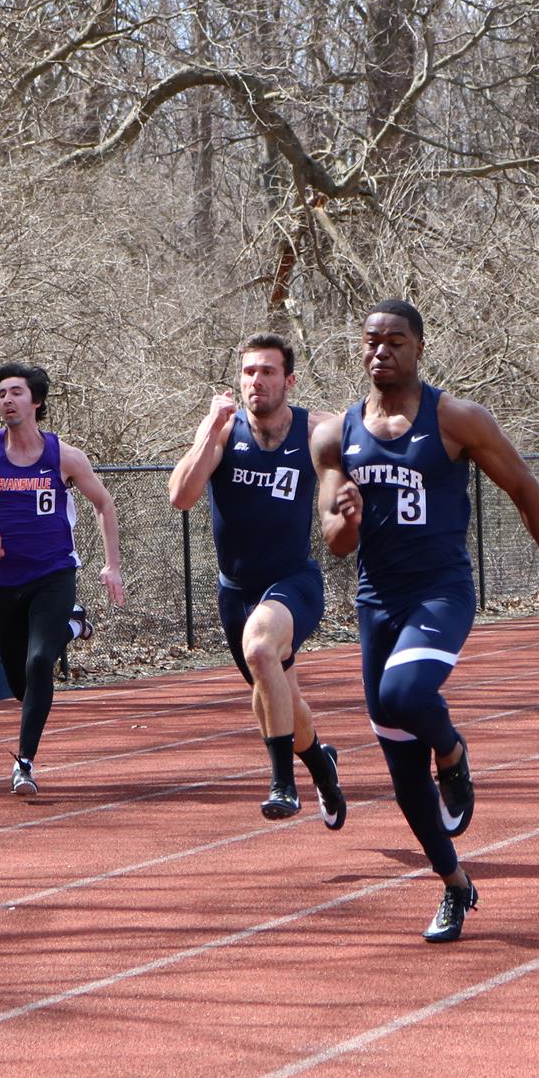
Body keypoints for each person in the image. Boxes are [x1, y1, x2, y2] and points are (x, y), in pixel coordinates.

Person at [312, 299, 539, 942]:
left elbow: (523, 488)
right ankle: (454, 886)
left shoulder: (456, 419)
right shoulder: (334, 435)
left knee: (406, 695)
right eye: (372, 342)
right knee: (402, 773)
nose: (381, 352)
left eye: (395, 341)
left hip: (441, 591)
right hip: (377, 601)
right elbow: (335, 544)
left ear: (419, 348)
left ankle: (454, 755)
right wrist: (343, 518)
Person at [166, 333, 347, 827]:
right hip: (235, 592)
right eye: (248, 372)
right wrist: (209, 429)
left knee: (262, 649)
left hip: (294, 580)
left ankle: (282, 785)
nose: (256, 381)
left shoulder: (317, 429)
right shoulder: (223, 432)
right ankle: (322, 768)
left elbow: (371, 447)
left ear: (288, 380)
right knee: (282, 699)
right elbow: (181, 496)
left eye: (267, 371)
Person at [0, 363, 124, 797]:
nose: (7, 400)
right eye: (1, 394)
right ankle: (73, 624)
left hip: (53, 572)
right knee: (20, 684)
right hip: (5, 578)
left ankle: (25, 764)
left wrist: (112, 565)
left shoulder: (65, 456)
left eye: (16, 392)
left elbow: (104, 504)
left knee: (38, 664)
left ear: (36, 402)